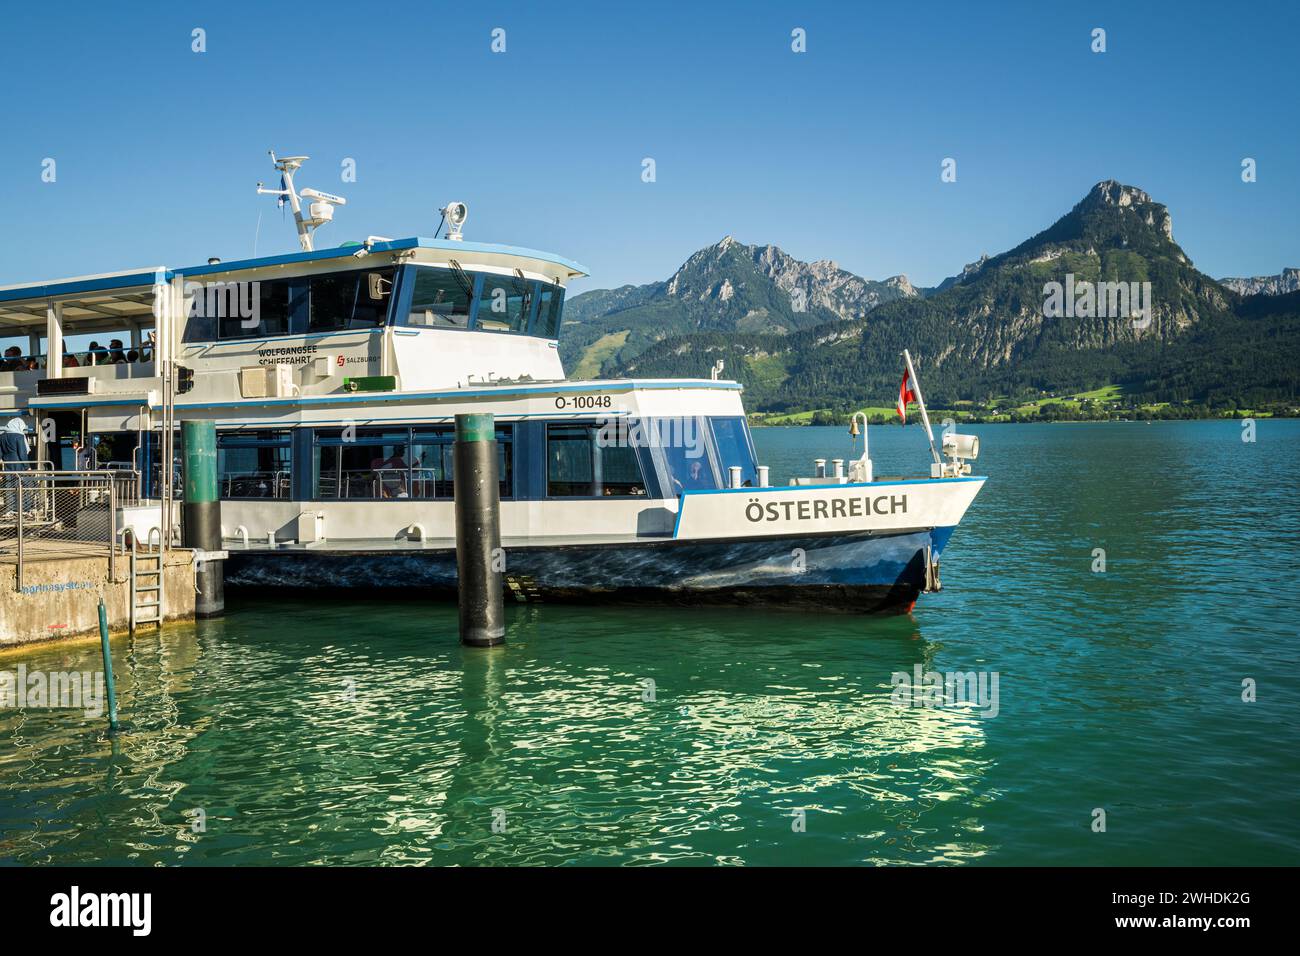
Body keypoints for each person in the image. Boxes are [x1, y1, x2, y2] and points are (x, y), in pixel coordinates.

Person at [1, 417, 32, 515]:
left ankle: (10, 508)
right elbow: (22, 453)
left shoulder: (2, 436)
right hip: (19, 465)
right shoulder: (19, 436)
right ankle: (24, 509)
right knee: (23, 486)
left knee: (9, 486)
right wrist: (27, 467)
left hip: (7, 465)